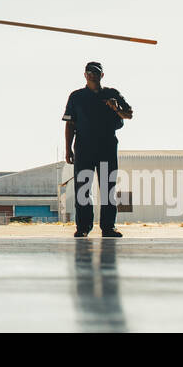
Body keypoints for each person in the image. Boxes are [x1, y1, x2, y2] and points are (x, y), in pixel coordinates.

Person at [63, 61, 133, 237]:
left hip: (107, 147)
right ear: (85, 75)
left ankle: (108, 227)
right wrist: (68, 149)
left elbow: (129, 114)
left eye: (95, 72)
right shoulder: (76, 97)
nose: (92, 75)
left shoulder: (112, 94)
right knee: (83, 189)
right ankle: (83, 227)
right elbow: (70, 124)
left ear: (102, 75)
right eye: (89, 72)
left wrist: (116, 108)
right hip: (84, 148)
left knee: (108, 188)